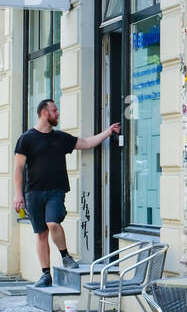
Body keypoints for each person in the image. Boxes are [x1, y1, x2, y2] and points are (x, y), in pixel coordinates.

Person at [13, 99, 120, 287]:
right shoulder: (26, 138)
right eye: (55, 110)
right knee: (41, 234)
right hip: (33, 193)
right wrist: (18, 194)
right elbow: (18, 168)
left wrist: (107, 132)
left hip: (56, 191)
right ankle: (45, 275)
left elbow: (86, 143)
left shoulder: (60, 138)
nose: (58, 113)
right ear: (44, 113)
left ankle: (65, 256)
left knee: (53, 223)